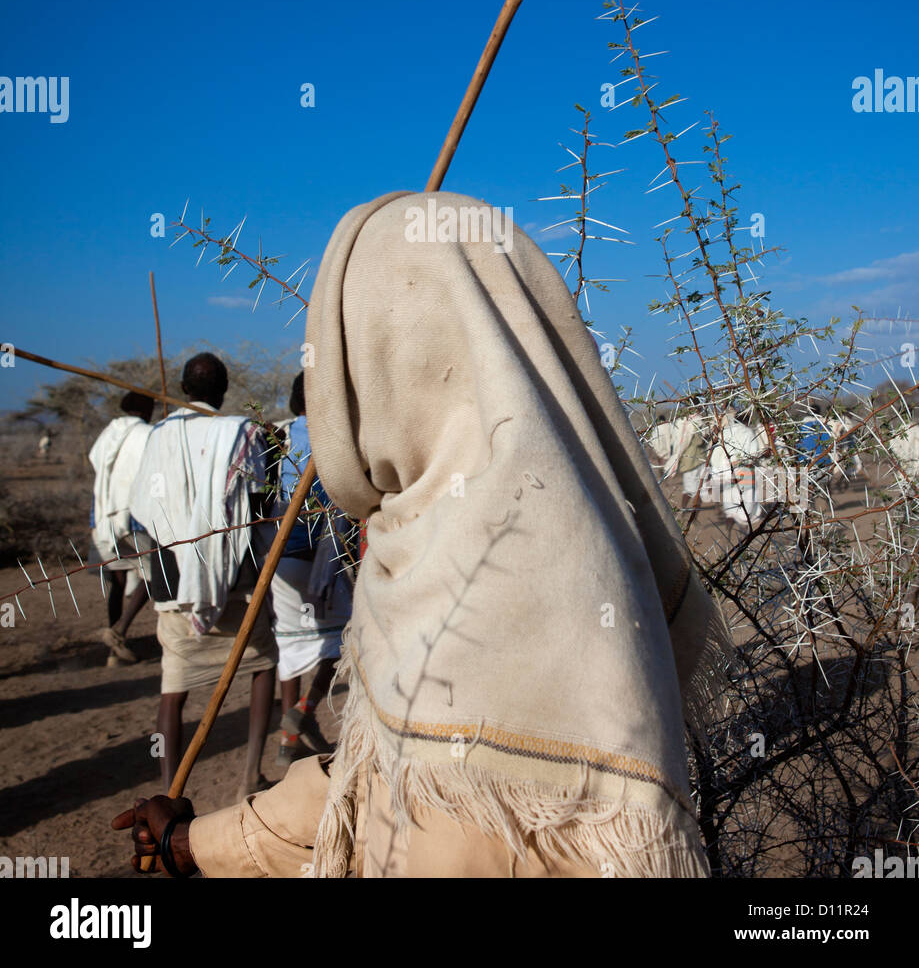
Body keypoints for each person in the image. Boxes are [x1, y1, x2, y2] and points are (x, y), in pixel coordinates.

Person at [115, 193, 728, 878]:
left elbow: (421, 826)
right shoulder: (591, 530)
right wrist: (196, 845)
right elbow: (381, 784)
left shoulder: (468, 576)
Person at [128, 352, 278, 798]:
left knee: (172, 689)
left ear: (184, 388)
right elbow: (256, 500)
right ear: (225, 388)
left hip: (172, 579)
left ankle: (169, 786)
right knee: (264, 663)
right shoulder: (242, 433)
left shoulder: (158, 435)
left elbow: (143, 509)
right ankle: (251, 772)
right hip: (235, 576)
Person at [269, 372, 356, 768]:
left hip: (280, 559)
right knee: (345, 639)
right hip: (320, 557)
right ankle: (304, 710)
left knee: (288, 644)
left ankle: (290, 738)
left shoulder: (280, 437)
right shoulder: (337, 438)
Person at [87, 391, 156, 665]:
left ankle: (114, 653)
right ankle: (119, 631)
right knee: (156, 574)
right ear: (147, 410)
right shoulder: (148, 434)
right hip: (132, 515)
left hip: (102, 516)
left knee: (116, 581)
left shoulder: (107, 434)